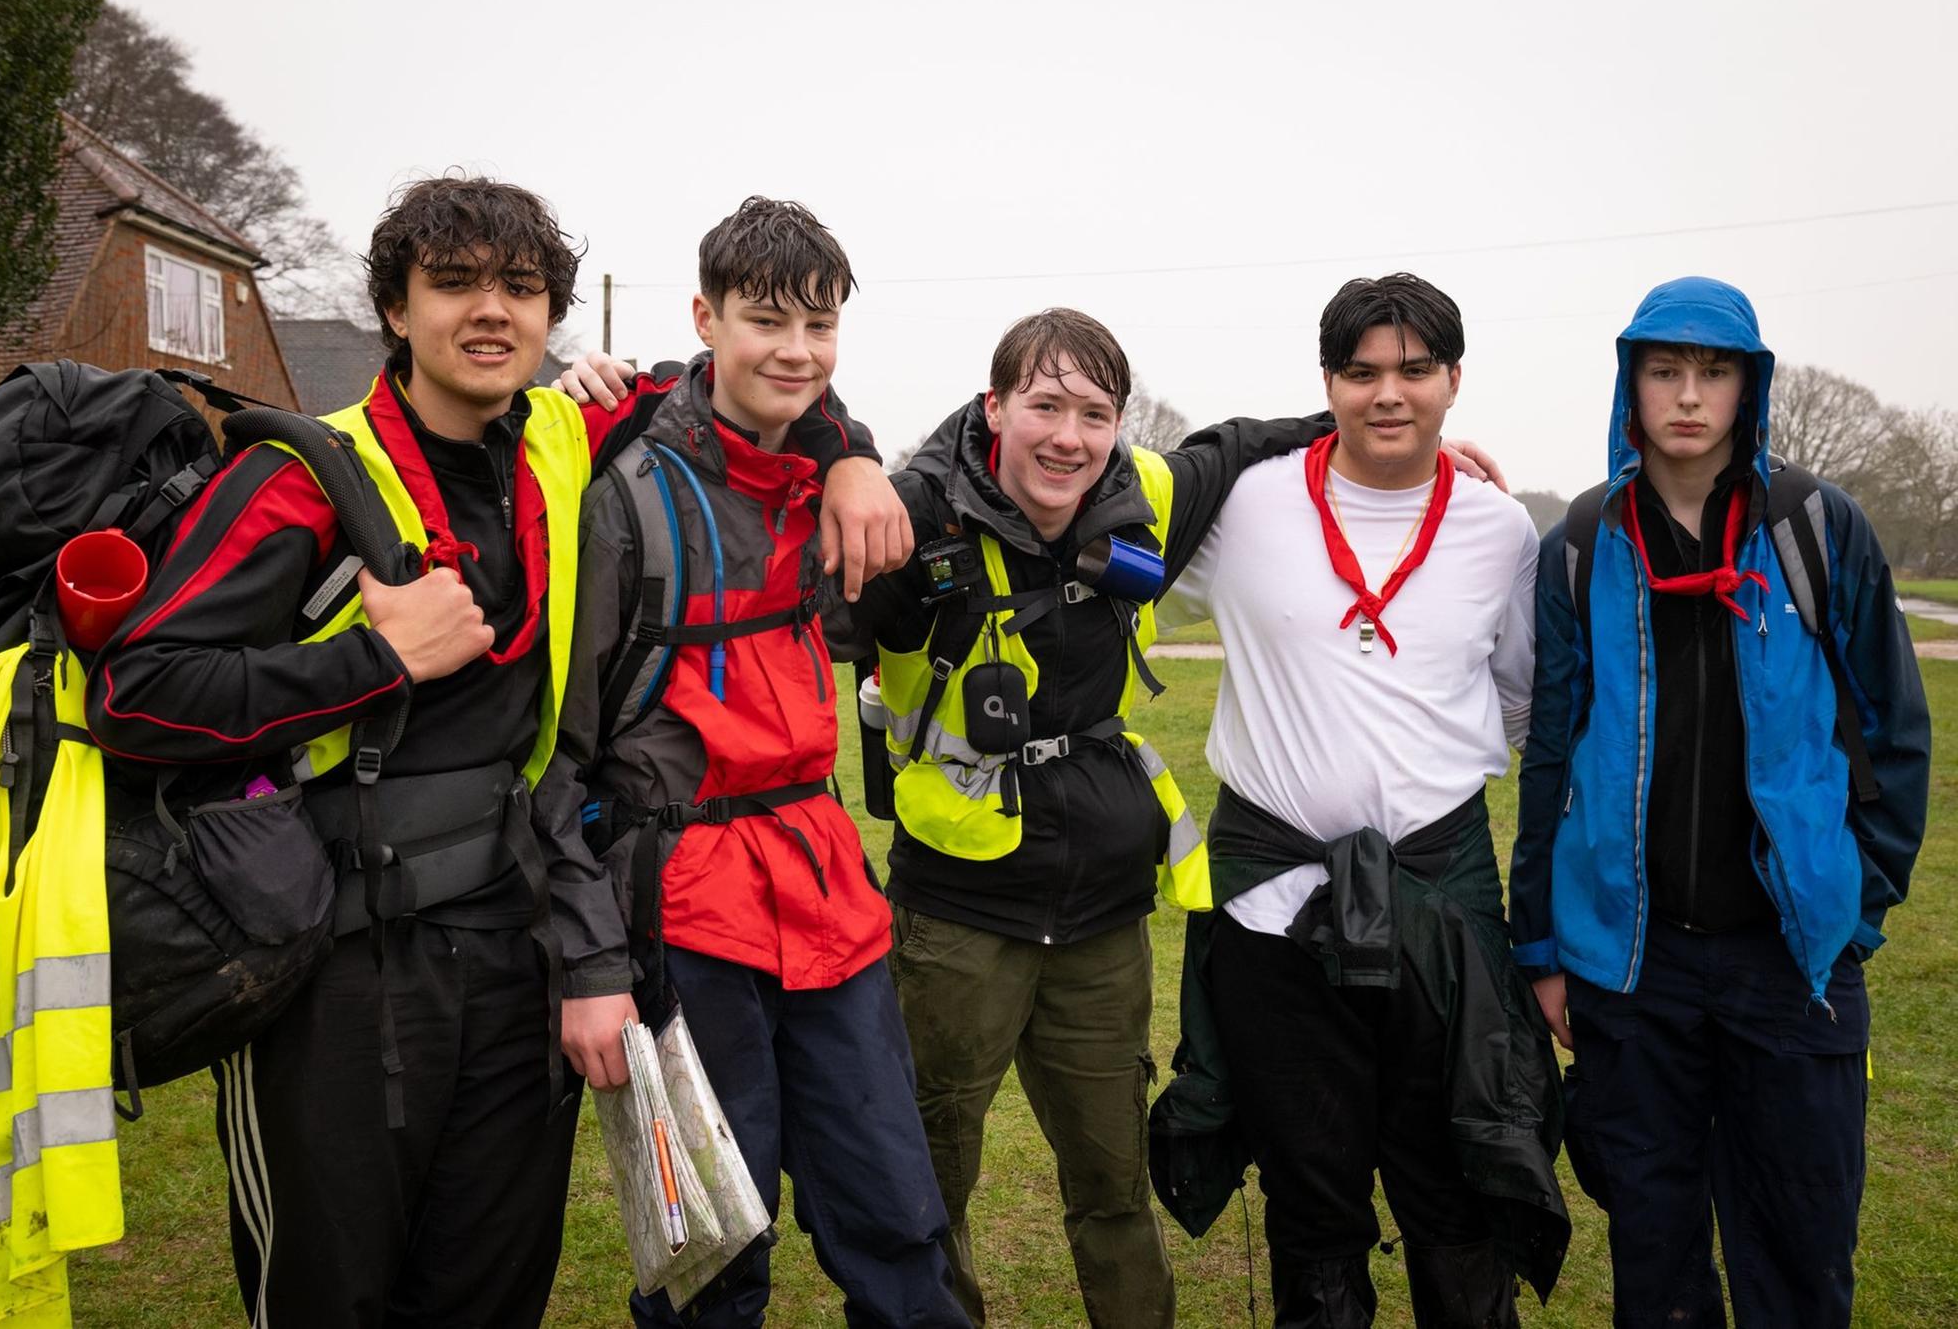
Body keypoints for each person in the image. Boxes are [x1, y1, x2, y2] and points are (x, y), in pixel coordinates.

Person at [88, 179, 898, 1328]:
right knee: (333, 1293)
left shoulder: (570, 435)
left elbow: (764, 372)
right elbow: (139, 689)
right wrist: (371, 658)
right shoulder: (307, 473)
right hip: (335, 965)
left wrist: (853, 455)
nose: (491, 311)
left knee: (488, 1290)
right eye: (454, 283)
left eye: (519, 287)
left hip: (521, 953)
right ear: (394, 307)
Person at [821, 307, 1349, 1327]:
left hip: (1103, 915)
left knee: (1112, 1188)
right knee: (928, 1183)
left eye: (1093, 412)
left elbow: (1233, 445)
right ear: (995, 407)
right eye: (1044, 404)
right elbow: (797, 609)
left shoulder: (1140, 496)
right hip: (955, 914)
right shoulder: (911, 519)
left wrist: (1383, 433)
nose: (1067, 434)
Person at [541, 196, 969, 1328]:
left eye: (819, 326)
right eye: (766, 320)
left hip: (827, 894)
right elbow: (553, 758)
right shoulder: (616, 482)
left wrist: (855, 453)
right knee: (709, 1252)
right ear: (704, 316)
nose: (795, 350)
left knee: (897, 1220)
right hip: (679, 908)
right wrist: (588, 962)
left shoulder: (830, 467)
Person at [1508, 276, 1930, 1328]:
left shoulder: (1813, 528)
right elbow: (1550, 758)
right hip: (1630, 965)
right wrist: (1543, 947)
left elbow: (1892, 730)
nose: (1686, 396)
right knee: (1650, 1249)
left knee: (1796, 1246)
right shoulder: (1581, 541)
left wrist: (1854, 906)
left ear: (1749, 386)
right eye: (1664, 371)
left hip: (1786, 968)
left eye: (1712, 371)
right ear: (1630, 383)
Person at [1156, 274, 1567, 1328]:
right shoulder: (1243, 504)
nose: (1389, 393)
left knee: (1453, 1184)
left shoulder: (1497, 531)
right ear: (1327, 383)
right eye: (1361, 371)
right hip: (1272, 906)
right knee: (1310, 1194)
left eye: (1413, 370)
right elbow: (1101, 519)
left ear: (1452, 380)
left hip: (1439, 902)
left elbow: (1522, 709)